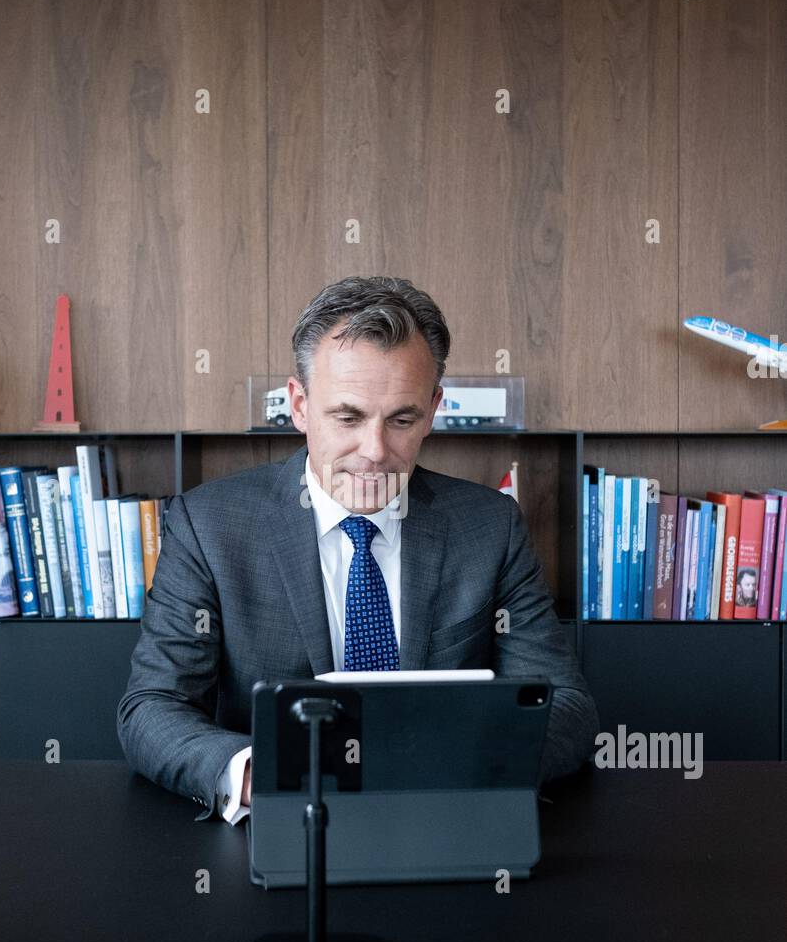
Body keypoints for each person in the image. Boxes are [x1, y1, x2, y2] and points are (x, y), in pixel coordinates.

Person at [117, 275, 599, 823]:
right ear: (299, 405)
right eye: (348, 418)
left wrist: (456, 766)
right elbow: (152, 708)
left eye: (402, 419)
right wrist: (262, 777)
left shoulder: (491, 527)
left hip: (445, 820)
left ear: (434, 409)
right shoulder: (208, 527)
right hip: (284, 824)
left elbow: (568, 708)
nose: (375, 452)